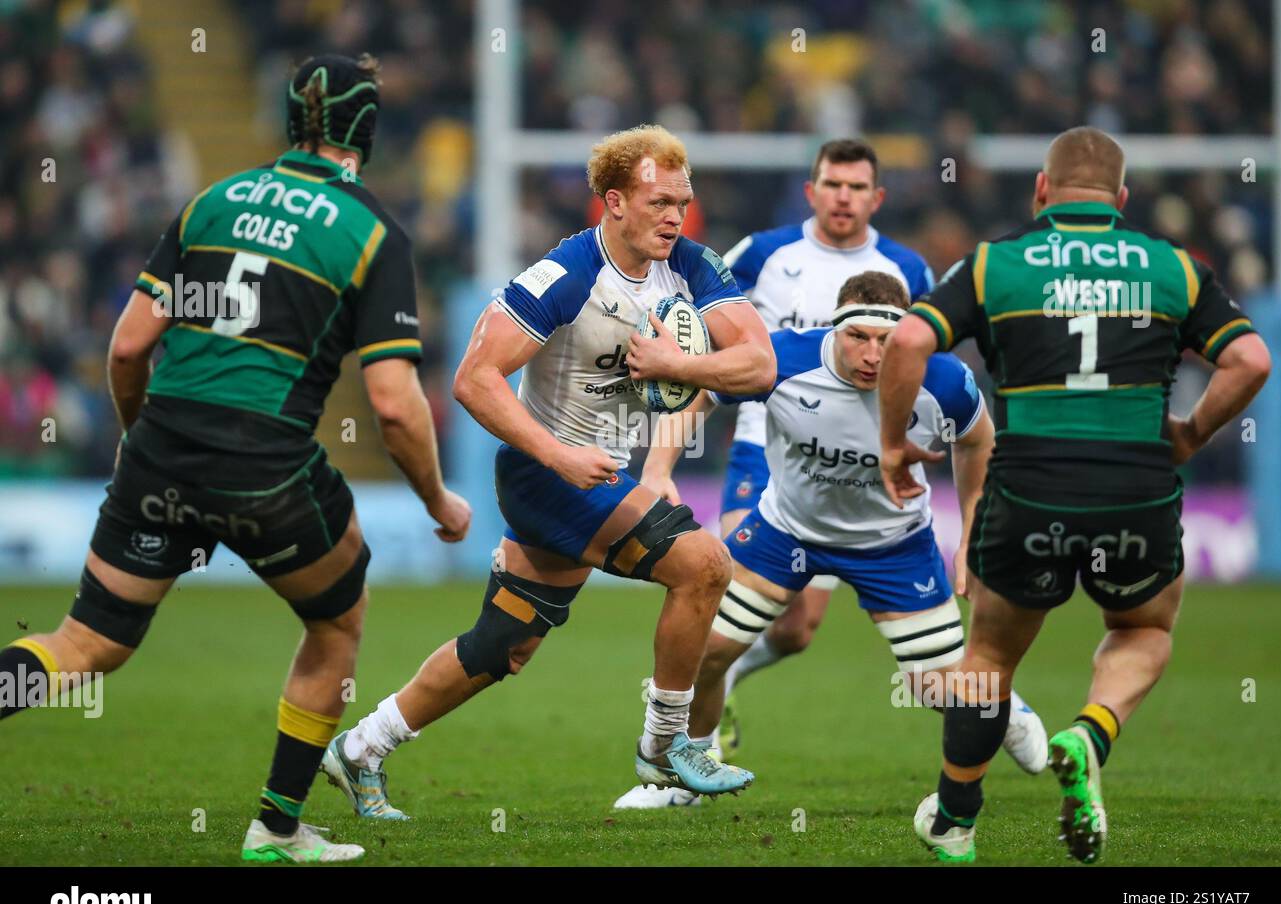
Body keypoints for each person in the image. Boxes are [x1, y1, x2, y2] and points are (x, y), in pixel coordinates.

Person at [0, 53, 472, 863]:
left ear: (292, 121)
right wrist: (436, 500)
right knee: (336, 620)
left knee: (86, 643)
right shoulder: (371, 232)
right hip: (266, 464)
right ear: (367, 130)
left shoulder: (210, 201)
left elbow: (126, 349)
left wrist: (140, 445)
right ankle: (278, 827)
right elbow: (393, 406)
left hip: (161, 450)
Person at [320, 125, 777, 819]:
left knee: (501, 646)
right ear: (613, 202)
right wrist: (557, 453)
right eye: (657, 202)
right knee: (704, 565)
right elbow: (474, 380)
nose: (673, 217)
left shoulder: (691, 266)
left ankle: (360, 749)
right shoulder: (566, 274)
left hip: (603, 477)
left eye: (681, 202)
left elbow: (757, 365)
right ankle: (664, 746)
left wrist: (674, 382)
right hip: (548, 474)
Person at [879, 127, 1272, 864]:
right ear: (1121, 200)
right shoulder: (1175, 269)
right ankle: (1090, 732)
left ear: (1041, 190)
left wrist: (895, 442)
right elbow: (1251, 359)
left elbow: (906, 343)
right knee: (1143, 630)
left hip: (1029, 488)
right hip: (1137, 491)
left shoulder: (998, 263)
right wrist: (1188, 434)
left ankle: (956, 820)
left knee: (990, 656)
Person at [614, 270, 1048, 809]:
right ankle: (689, 777)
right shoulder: (780, 360)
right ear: (832, 328)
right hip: (787, 530)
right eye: (857, 337)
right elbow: (702, 393)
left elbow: (978, 442)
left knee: (937, 689)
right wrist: (658, 469)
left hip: (893, 545)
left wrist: (972, 534)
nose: (871, 353)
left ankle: (1008, 709)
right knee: (708, 652)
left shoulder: (944, 381)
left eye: (886, 341)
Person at [711, 139, 934, 758]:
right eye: (833, 184)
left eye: (857, 187)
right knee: (734, 596)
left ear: (877, 197)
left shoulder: (908, 271)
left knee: (797, 628)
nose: (844, 196)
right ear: (811, 191)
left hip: (845, 463)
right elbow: (705, 315)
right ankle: (684, 739)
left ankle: (723, 674)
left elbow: (931, 363)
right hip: (763, 445)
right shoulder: (763, 253)